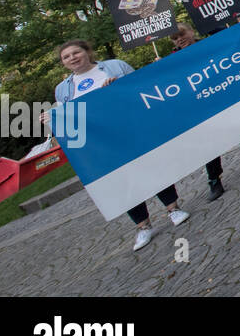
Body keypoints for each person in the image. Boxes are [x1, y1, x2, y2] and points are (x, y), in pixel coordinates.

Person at [51, 39, 190, 251]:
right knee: (122, 181)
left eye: (75, 52)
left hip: (130, 128)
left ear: (87, 51)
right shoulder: (62, 89)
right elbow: (68, 119)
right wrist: (51, 119)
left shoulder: (115, 66)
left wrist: (117, 88)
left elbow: (140, 88)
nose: (72, 58)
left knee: (150, 167)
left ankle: (173, 209)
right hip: (100, 142)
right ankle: (143, 226)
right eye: (66, 57)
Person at [172, 24, 240, 201]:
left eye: (181, 34)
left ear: (191, 32)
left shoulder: (209, 44)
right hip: (201, 103)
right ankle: (214, 180)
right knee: (210, 142)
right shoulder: (172, 60)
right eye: (174, 38)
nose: (179, 39)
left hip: (221, 93)